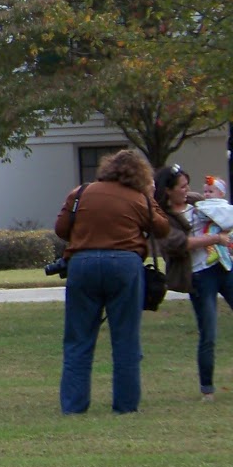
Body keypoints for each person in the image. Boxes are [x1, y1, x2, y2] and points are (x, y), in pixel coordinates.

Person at [55, 148, 168, 414]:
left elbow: (61, 229)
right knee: (126, 339)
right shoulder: (139, 198)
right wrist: (151, 198)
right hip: (124, 265)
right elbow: (162, 228)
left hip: (82, 264)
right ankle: (125, 406)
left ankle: (73, 406)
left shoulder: (80, 192)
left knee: (78, 339)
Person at [154, 166, 233, 401]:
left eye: (188, 185)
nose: (187, 190)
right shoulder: (163, 217)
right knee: (208, 332)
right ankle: (207, 389)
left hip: (224, 267)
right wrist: (215, 238)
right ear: (168, 191)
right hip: (199, 275)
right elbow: (179, 244)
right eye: (182, 187)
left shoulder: (198, 202)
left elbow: (221, 210)